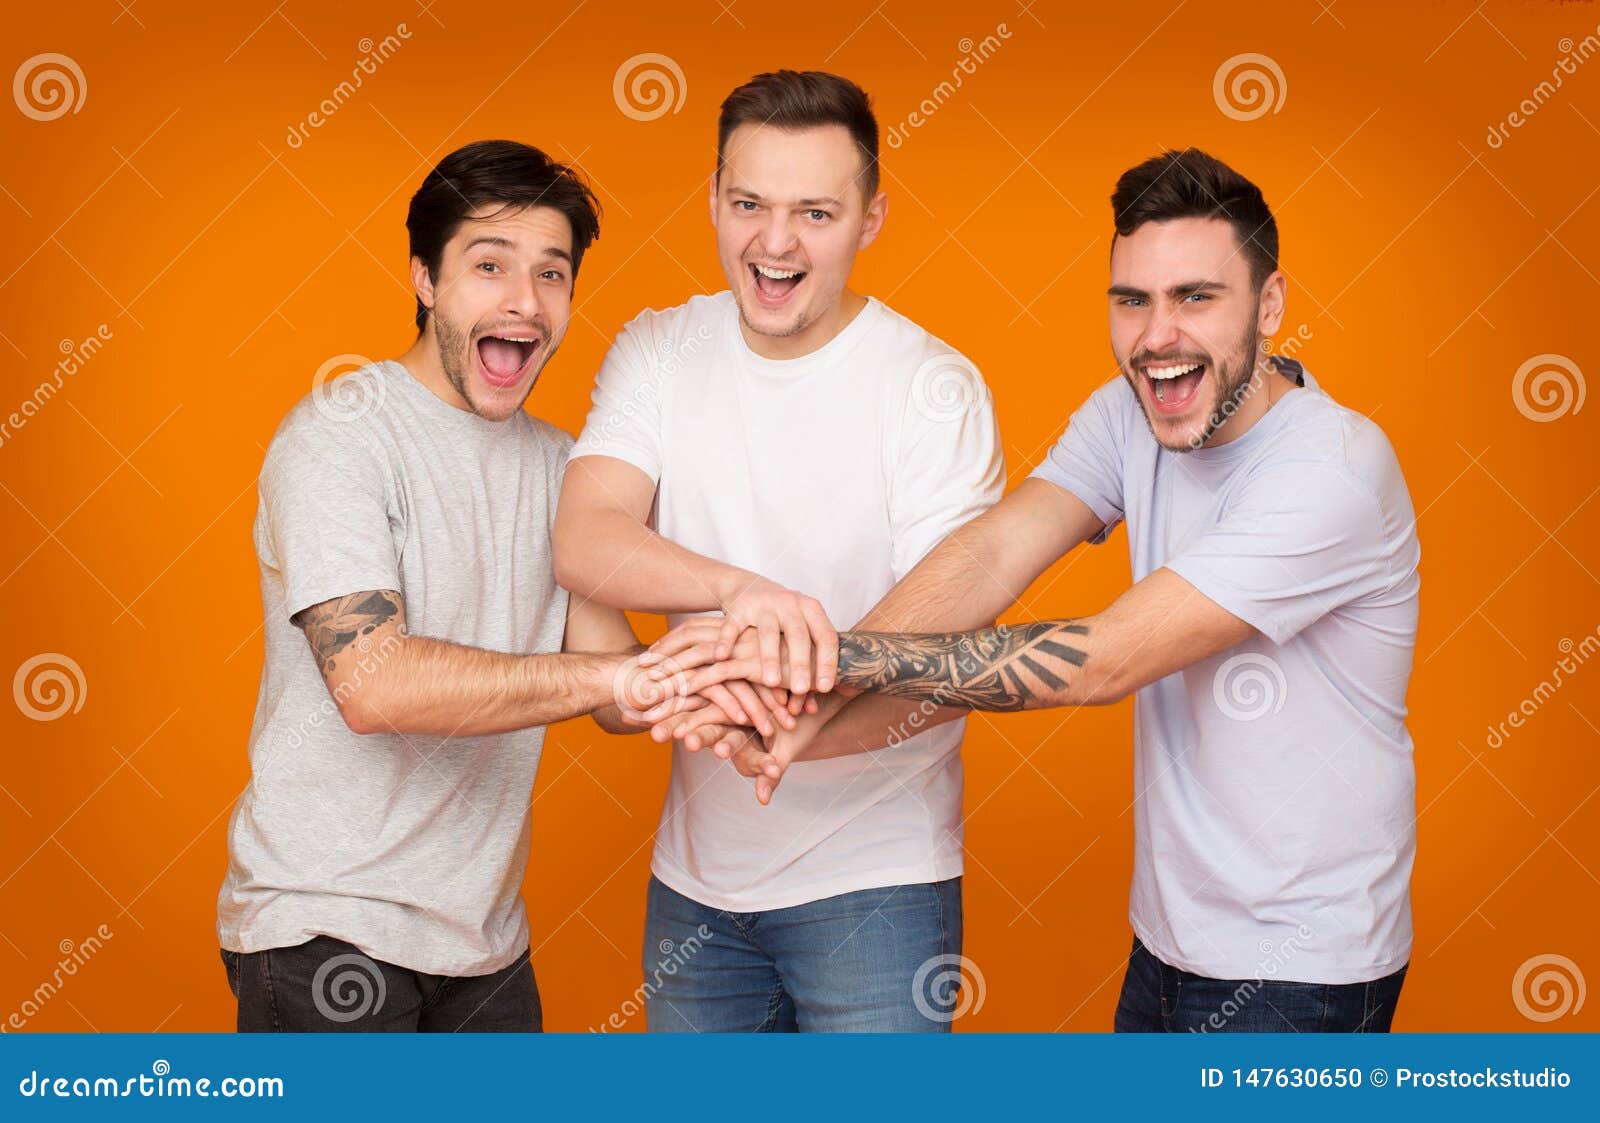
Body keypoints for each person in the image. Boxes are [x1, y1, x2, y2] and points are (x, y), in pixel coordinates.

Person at [655, 147, 1421, 1034]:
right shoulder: (1131, 413)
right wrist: (800, 718)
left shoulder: (1331, 469)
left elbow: (1099, 660)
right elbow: (991, 555)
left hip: (1305, 968)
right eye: (1132, 300)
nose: (1156, 336)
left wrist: (810, 662)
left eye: (1195, 298)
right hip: (1170, 943)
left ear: (1271, 303)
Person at [552, 70, 1005, 1032]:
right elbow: (586, 540)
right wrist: (742, 593)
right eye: (749, 203)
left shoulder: (933, 388)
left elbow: (948, 666)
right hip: (696, 888)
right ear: (713, 197)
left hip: (877, 889)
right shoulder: (659, 348)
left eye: (815, 211)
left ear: (871, 218)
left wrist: (777, 728)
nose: (775, 242)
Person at [217, 140, 649, 1032]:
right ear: (424, 277)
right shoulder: (339, 436)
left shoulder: (564, 466)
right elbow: (374, 685)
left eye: (552, 274)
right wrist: (610, 681)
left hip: (482, 945)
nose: (524, 302)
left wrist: (751, 660)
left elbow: (620, 686)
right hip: (323, 925)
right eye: (488, 265)